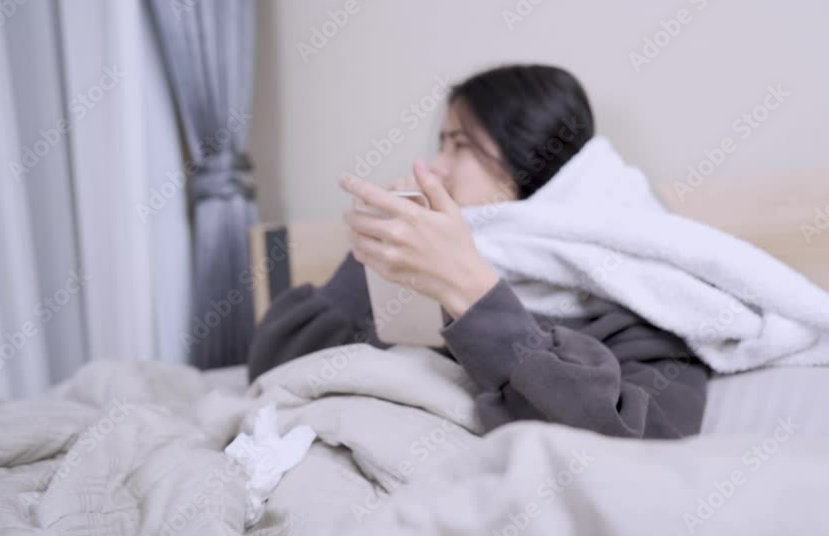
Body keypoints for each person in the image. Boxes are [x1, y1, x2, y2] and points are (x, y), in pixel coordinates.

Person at [247, 64, 709, 439]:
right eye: (440, 144)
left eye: (460, 145)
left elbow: (636, 438)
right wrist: (370, 260)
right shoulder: (415, 274)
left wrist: (471, 288)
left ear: (529, 154)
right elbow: (272, 367)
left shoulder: (641, 284)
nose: (436, 168)